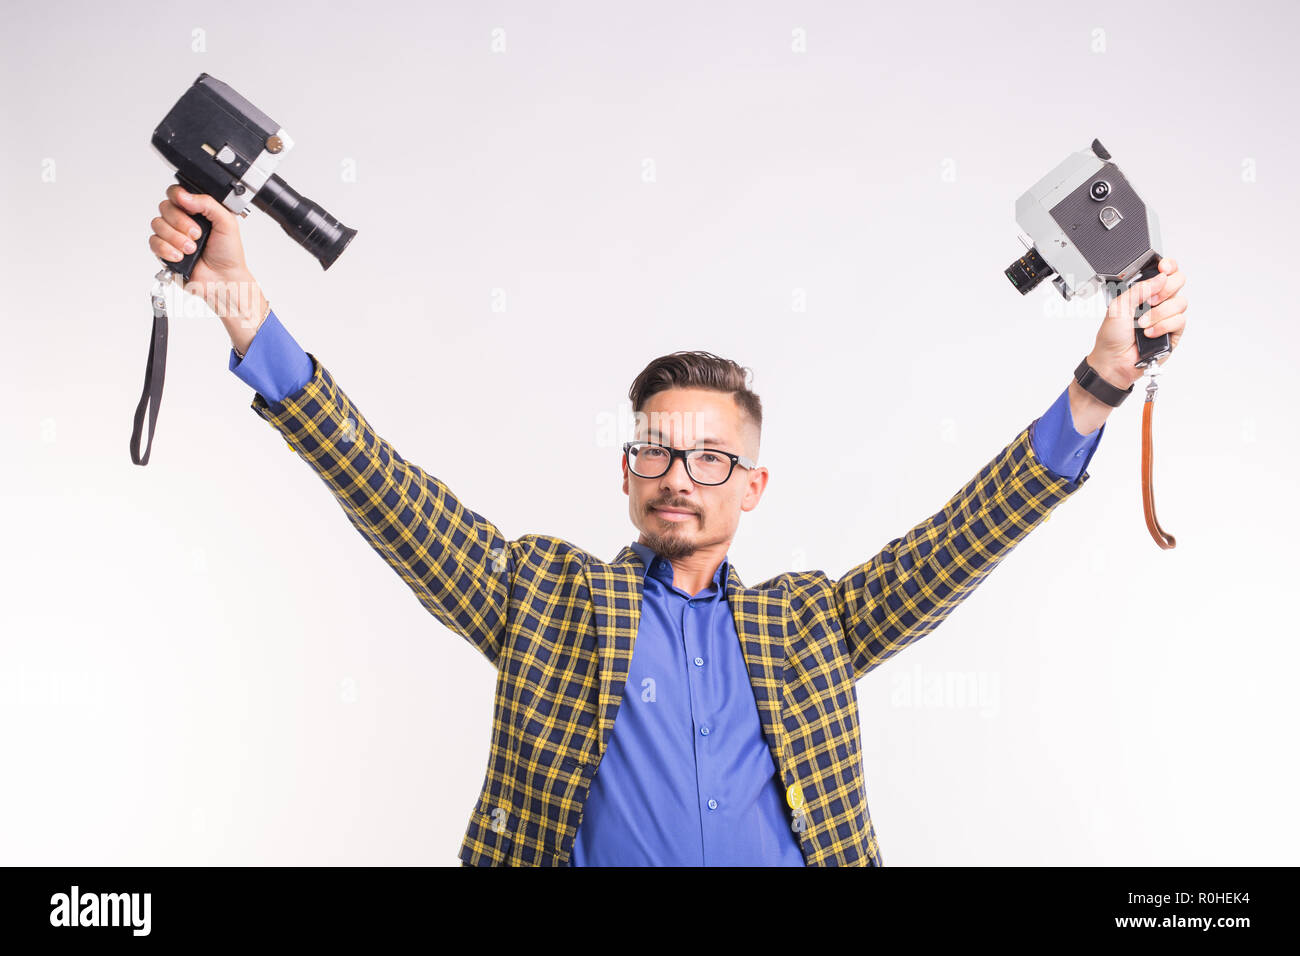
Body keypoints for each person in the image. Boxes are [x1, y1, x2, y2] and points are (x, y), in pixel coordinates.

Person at [148, 185, 1189, 866]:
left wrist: (1101, 383)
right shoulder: (544, 597)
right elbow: (381, 485)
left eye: (709, 457)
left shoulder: (809, 624)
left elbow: (961, 536)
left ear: (753, 486)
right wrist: (240, 301)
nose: (677, 477)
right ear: (626, 470)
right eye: (654, 450)